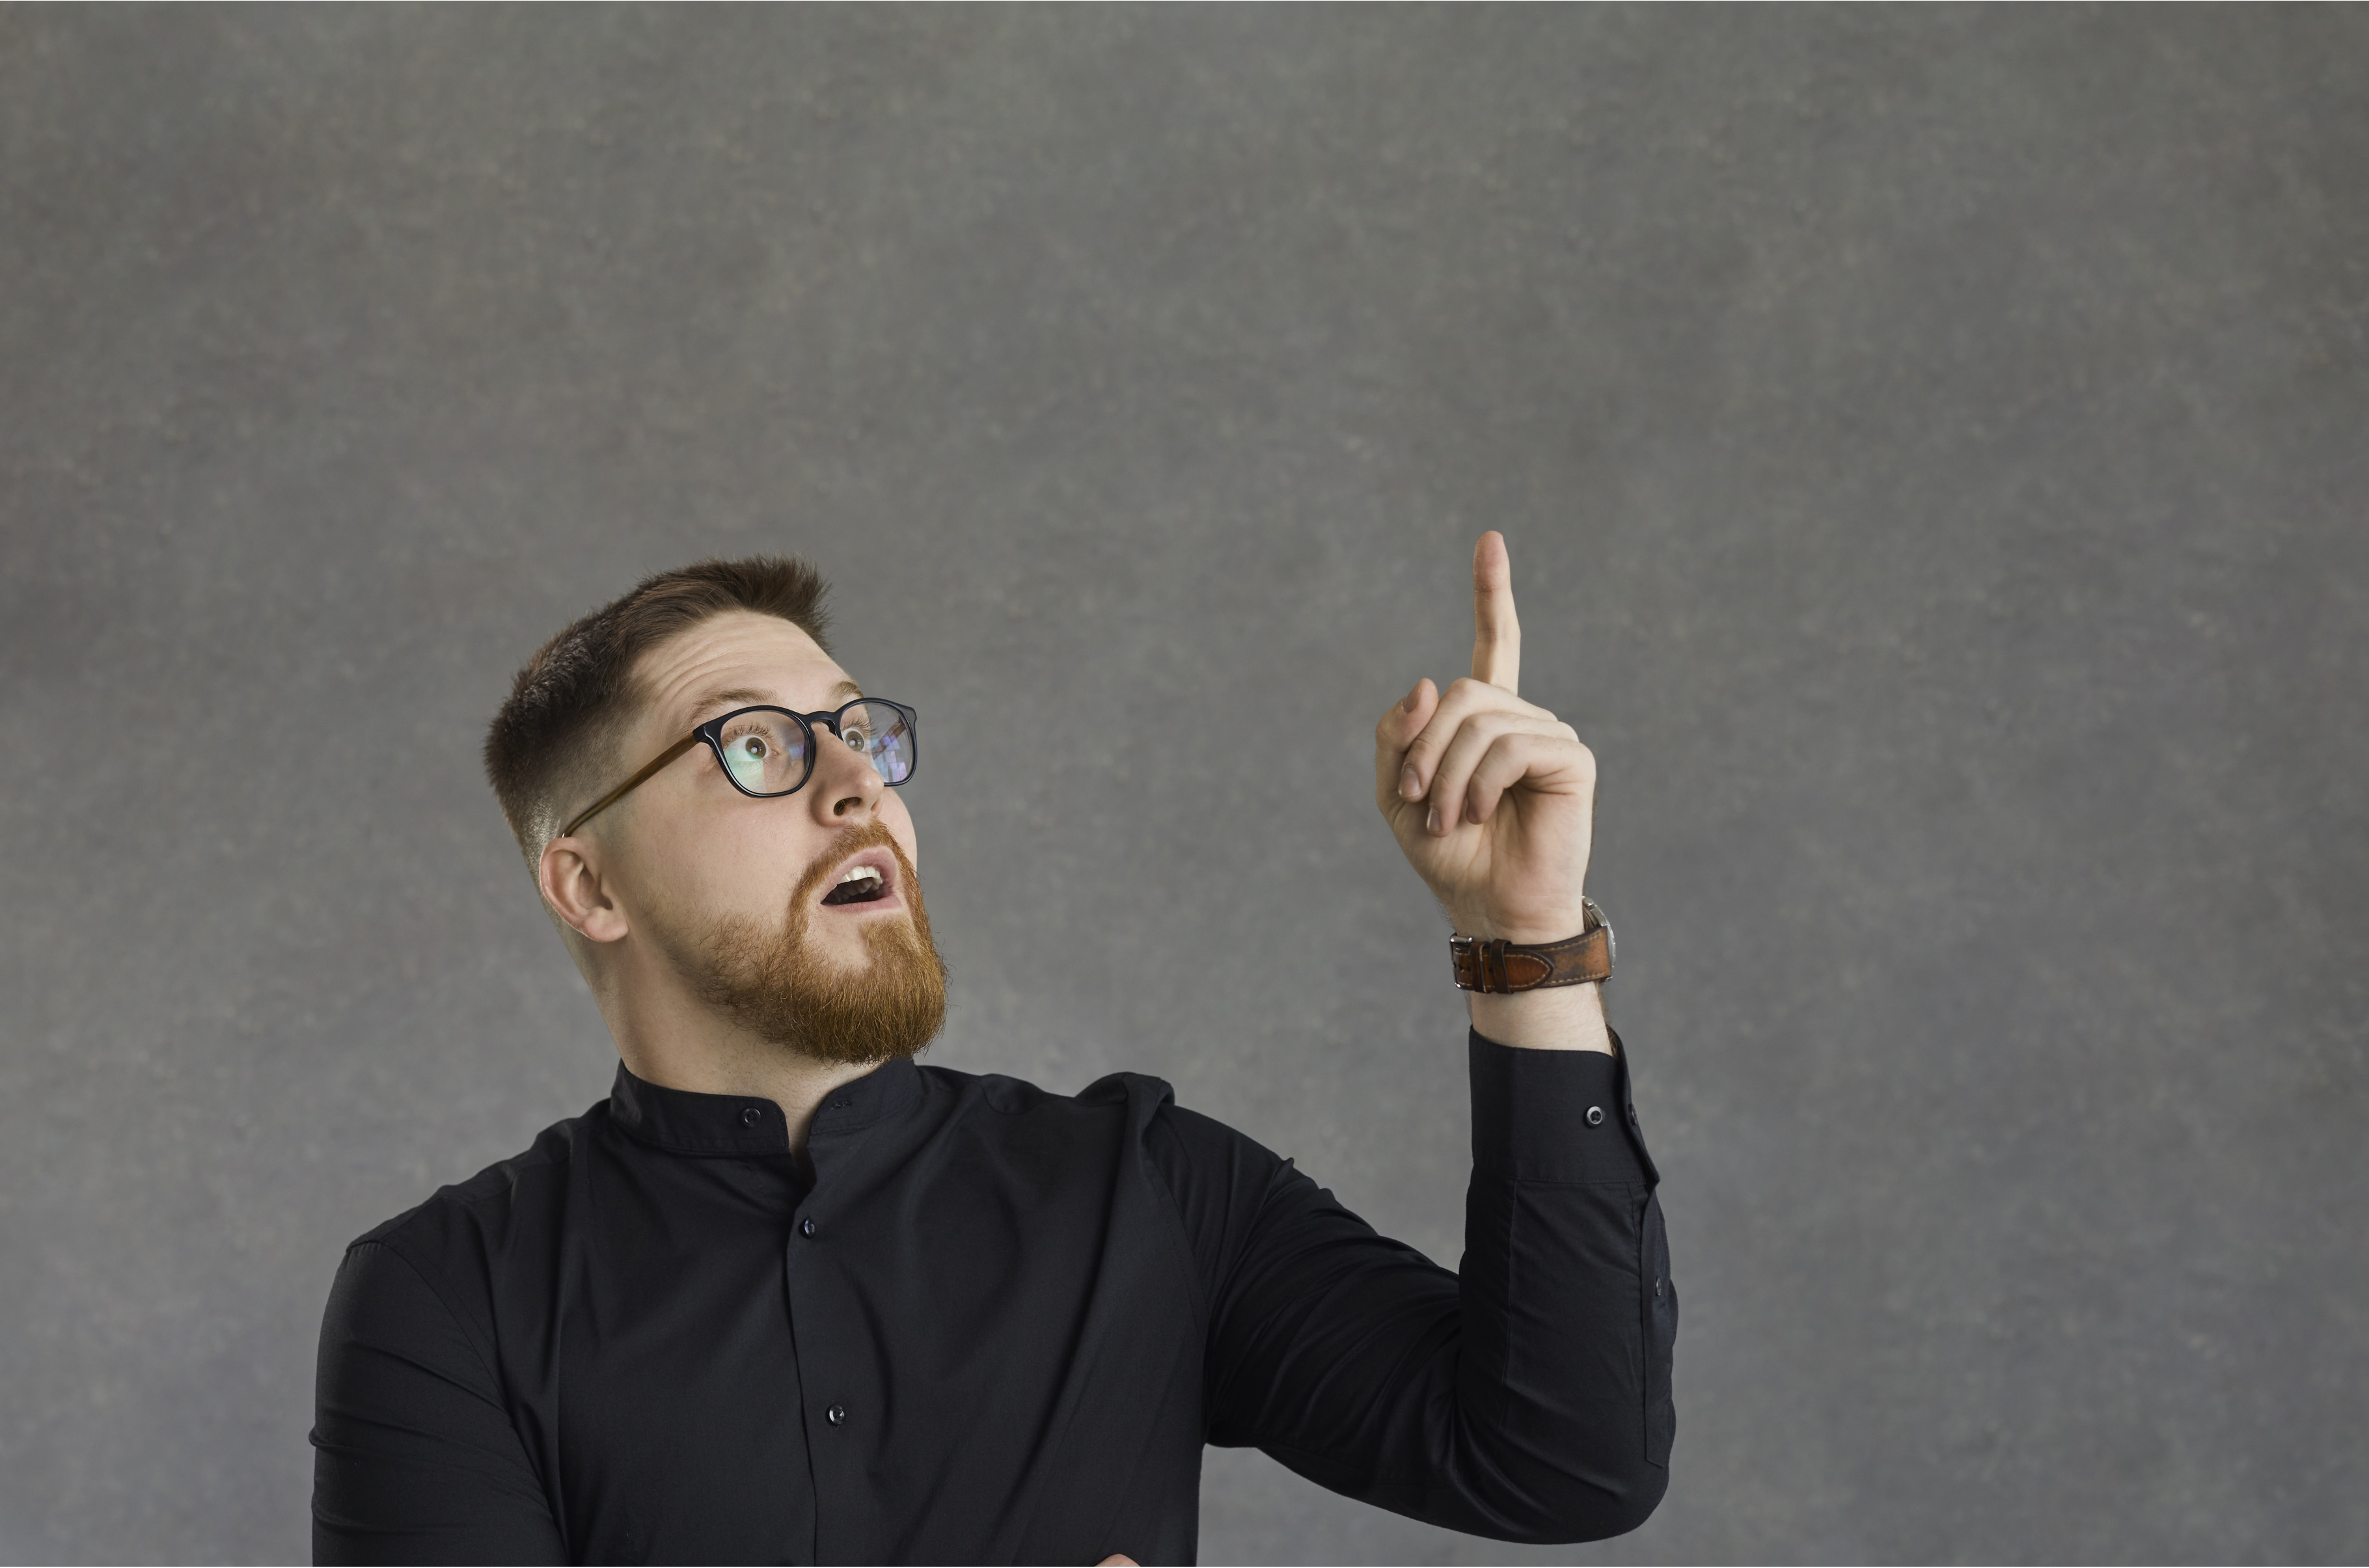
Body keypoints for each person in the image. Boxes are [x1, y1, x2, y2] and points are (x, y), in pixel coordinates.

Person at [309, 533, 1676, 1565]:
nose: (853, 782)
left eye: (857, 732)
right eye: (756, 748)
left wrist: (1527, 944)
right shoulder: (447, 1302)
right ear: (588, 886)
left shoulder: (1146, 1186)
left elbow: (1561, 1459)